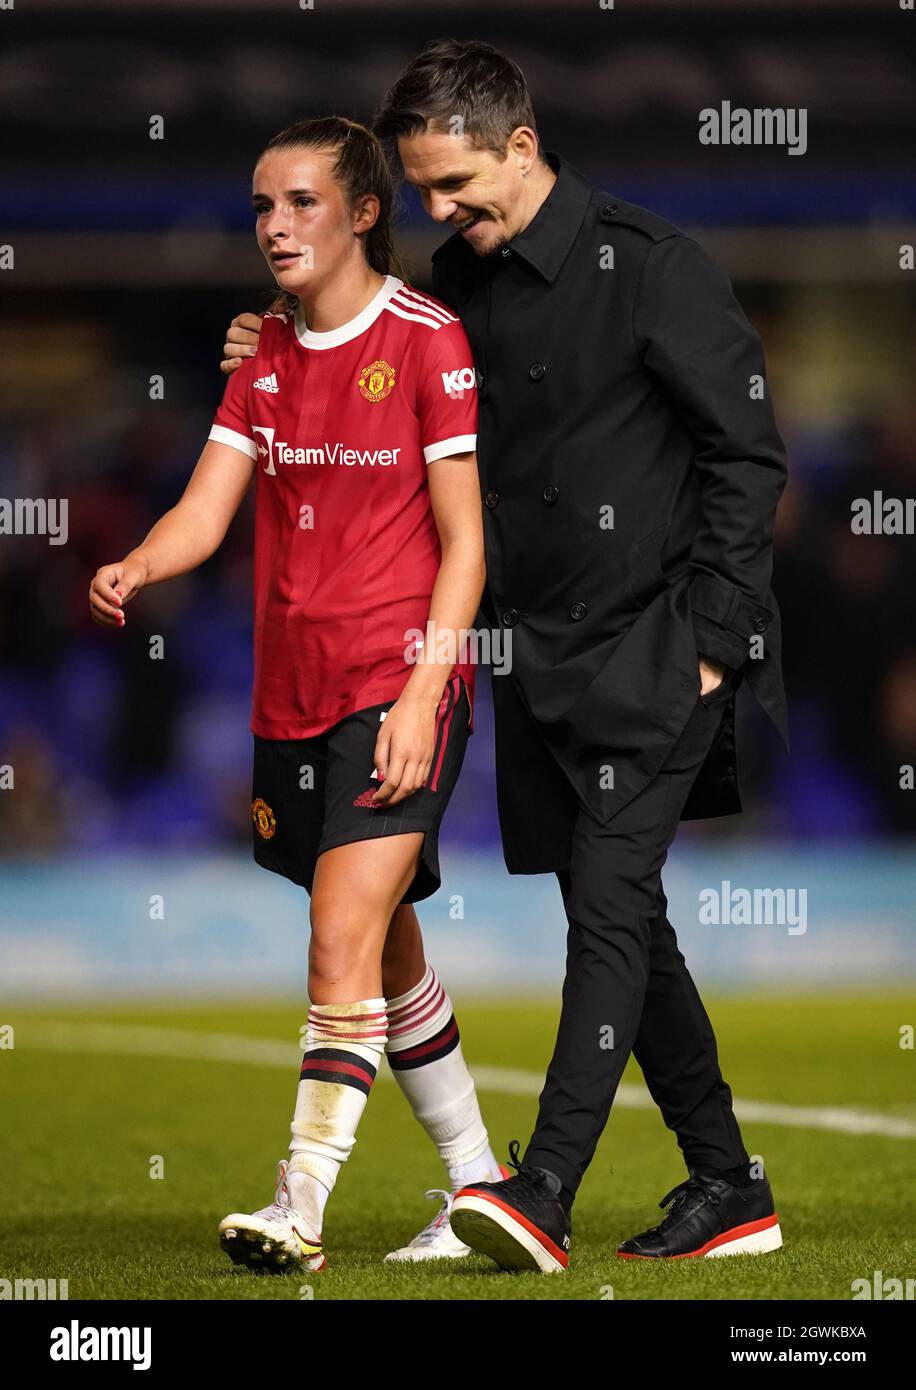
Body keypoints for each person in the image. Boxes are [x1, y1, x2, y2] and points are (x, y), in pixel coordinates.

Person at [222, 42, 789, 1273]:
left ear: (521, 146)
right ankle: (729, 1185)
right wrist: (265, 354)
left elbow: (749, 458)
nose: (438, 212)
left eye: (454, 184)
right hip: (534, 657)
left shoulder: (655, 268)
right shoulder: (451, 289)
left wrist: (711, 645)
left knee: (604, 908)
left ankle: (537, 1190)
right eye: (420, 191)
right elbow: (389, 403)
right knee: (634, 923)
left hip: (656, 649)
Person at [90, 115, 506, 1273]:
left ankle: (299, 1205)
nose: (274, 226)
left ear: (364, 211)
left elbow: (466, 544)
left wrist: (426, 693)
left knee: (336, 941)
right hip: (295, 693)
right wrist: (141, 562)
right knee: (384, 950)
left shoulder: (429, 342)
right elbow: (205, 507)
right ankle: (480, 1179)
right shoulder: (263, 356)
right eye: (262, 206)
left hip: (398, 678)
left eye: (301, 203)